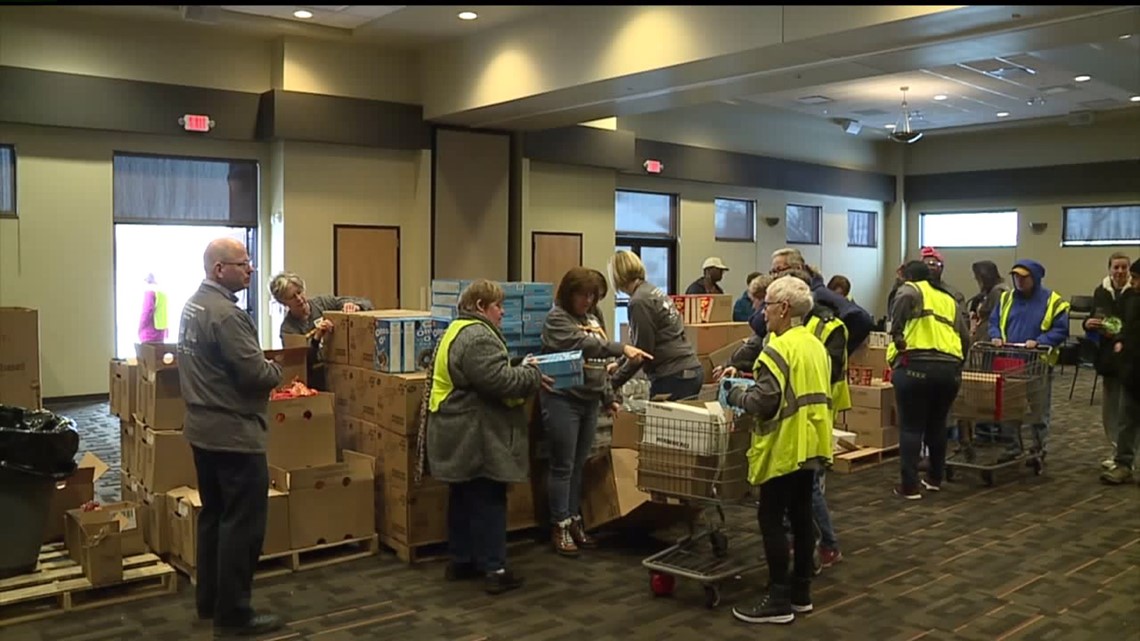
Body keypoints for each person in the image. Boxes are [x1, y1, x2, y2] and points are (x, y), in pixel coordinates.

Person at [178, 238, 284, 636]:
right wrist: (276, 369)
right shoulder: (226, 315)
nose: (251, 269)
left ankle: (210, 602)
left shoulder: (195, 304)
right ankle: (235, 613)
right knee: (243, 525)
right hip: (234, 434)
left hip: (202, 429)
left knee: (215, 517)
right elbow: (255, 374)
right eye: (243, 264)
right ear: (220, 269)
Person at [425, 280, 550, 595]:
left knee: (463, 498)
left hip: (455, 431)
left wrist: (518, 367)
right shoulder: (478, 337)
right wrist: (532, 373)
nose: (502, 312)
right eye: (498, 306)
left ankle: (462, 560)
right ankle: (495, 568)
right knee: (489, 498)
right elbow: (499, 381)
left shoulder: (455, 330)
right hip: (474, 435)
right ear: (480, 306)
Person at [722, 276, 832, 625]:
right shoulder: (814, 344)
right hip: (811, 442)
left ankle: (778, 598)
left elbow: (765, 402)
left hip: (784, 445)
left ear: (783, 309)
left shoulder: (777, 348)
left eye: (766, 305)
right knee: (801, 516)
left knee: (770, 518)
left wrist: (734, 393)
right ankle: (801, 593)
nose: (762, 312)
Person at [541, 267, 651, 557]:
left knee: (579, 464)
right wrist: (621, 347)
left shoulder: (594, 316)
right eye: (583, 295)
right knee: (562, 465)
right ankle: (559, 523)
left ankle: (575, 518)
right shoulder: (557, 319)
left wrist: (608, 395)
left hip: (589, 400)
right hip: (563, 400)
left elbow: (598, 365)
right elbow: (584, 345)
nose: (588, 301)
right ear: (569, 293)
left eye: (594, 296)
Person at [889, 261, 969, 499]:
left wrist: (897, 334)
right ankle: (934, 478)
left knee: (912, 427)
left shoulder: (912, 289)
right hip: (949, 368)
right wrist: (958, 364)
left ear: (909, 276)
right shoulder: (949, 299)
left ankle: (909, 486)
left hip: (915, 365)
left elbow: (902, 297)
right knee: (937, 425)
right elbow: (965, 336)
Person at [988, 259, 1070, 459]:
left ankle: (1038, 446)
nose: (1019, 281)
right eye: (1016, 276)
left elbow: (1061, 329)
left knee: (1038, 407)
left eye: (1024, 277)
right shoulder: (1006, 298)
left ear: (1035, 278)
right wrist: (995, 336)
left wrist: (1041, 341)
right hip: (1009, 360)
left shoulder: (1053, 301)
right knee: (1008, 406)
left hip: (1037, 361)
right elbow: (994, 321)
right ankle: (1013, 446)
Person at [609, 250, 703, 400]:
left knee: (663, 422)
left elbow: (642, 354)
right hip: (688, 369)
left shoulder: (638, 302)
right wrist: (619, 363)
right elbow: (640, 341)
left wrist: (612, 384)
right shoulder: (652, 291)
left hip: (672, 375)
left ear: (617, 276)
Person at [268, 272, 373, 389]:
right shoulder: (288, 329)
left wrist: (354, 306)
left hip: (342, 370)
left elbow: (367, 303)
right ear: (283, 302)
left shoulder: (323, 303)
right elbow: (303, 364)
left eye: (299, 292)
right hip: (316, 381)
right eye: (292, 297)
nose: (299, 299)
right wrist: (316, 339)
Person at [770, 248, 874, 353]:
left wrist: (840, 348)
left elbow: (862, 319)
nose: (775, 277)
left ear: (798, 268)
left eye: (779, 270)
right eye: (772, 272)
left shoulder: (819, 295)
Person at [1084, 253, 1133, 470]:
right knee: (1111, 409)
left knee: (1129, 409)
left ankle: (1128, 453)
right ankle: (1116, 451)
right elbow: (1097, 316)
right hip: (1108, 359)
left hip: (1131, 357)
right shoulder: (1100, 291)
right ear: (1110, 269)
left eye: (1124, 267)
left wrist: (1116, 332)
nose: (1120, 271)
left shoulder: (1135, 291)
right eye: (1116, 267)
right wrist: (1088, 323)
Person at [1101, 258, 1140, 485]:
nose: (1131, 282)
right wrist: (1120, 340)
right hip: (1132, 370)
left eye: (1135, 278)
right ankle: (1123, 463)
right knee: (1126, 419)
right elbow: (1123, 326)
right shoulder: (1132, 299)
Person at [968, 260, 1006, 346]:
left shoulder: (998, 293)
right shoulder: (985, 295)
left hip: (988, 340)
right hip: (984, 338)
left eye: (977, 278)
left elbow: (995, 319)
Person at [138, 273, 169, 343]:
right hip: (160, 334)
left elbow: (147, 311)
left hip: (149, 333)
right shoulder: (162, 294)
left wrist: (140, 328)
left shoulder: (149, 292)